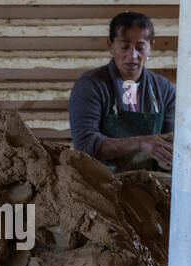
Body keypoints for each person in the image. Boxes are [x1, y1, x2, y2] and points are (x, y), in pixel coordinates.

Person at [68, 11, 176, 172]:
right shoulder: (91, 85)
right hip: (101, 184)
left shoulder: (164, 89)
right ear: (110, 45)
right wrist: (140, 143)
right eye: (125, 46)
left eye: (140, 47)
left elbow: (172, 141)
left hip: (150, 183)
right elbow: (86, 144)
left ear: (151, 48)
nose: (132, 55)